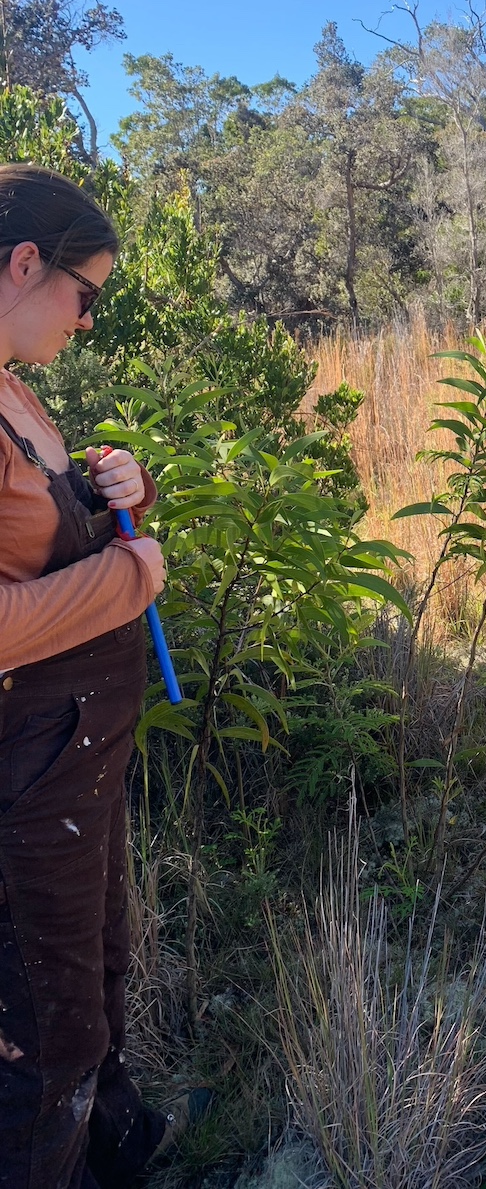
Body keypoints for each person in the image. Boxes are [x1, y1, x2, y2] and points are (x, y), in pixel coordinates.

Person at [0, 164, 176, 1187]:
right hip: (27, 776)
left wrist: (114, 481)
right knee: (43, 1028)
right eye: (85, 293)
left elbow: (36, 531)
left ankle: (115, 1150)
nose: (89, 319)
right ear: (25, 262)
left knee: (97, 971)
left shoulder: (17, 390)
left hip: (78, 758)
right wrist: (130, 575)